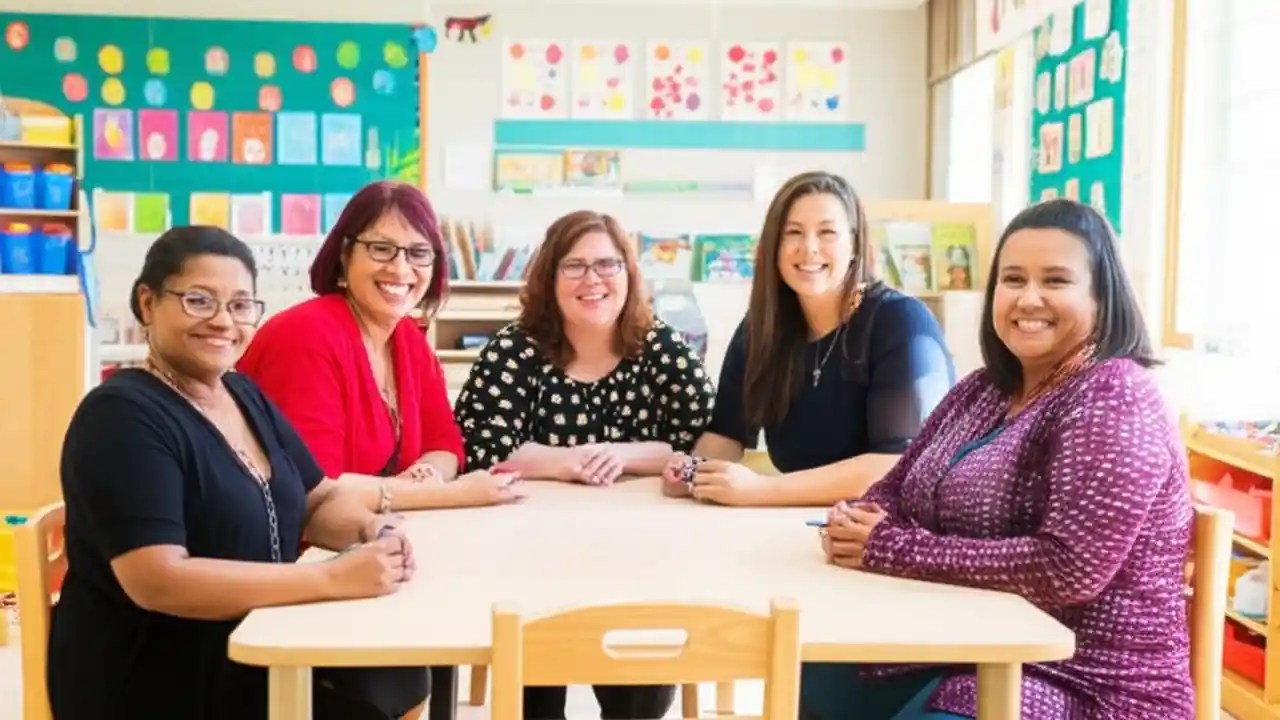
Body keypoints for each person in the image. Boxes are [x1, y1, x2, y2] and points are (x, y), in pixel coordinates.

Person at [811, 199, 1193, 719]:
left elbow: (1069, 568)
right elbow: (896, 488)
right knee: (808, 663)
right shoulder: (984, 389)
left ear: (1103, 297)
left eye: (1055, 281)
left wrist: (890, 548)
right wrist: (856, 521)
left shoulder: (1115, 395)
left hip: (1084, 680)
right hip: (963, 644)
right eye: (1013, 279)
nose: (1028, 298)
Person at [48, 227, 423, 720]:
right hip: (157, 676)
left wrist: (373, 530)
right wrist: (332, 578)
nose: (223, 321)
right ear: (147, 302)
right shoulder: (120, 416)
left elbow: (318, 501)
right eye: (199, 301)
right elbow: (157, 579)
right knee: (371, 695)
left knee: (400, 676)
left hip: (253, 643)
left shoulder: (242, 394)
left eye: (241, 305)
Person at [454, 209, 715, 719]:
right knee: (534, 687)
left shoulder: (662, 348)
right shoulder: (513, 350)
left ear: (629, 274)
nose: (592, 280)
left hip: (642, 554)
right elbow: (481, 448)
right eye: (573, 266)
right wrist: (568, 462)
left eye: (607, 265)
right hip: (528, 553)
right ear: (549, 277)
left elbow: (708, 442)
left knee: (639, 695)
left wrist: (623, 454)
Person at [661, 171, 954, 507]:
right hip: (796, 522)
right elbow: (727, 434)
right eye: (793, 233)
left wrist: (760, 491)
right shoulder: (763, 327)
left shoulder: (900, 321)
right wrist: (693, 470)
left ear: (855, 245)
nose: (809, 248)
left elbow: (896, 465)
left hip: (884, 527)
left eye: (827, 232)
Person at [238, 180, 521, 510]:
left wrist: (423, 476)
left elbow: (446, 445)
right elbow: (314, 488)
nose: (401, 269)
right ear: (346, 255)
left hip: (377, 533)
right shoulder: (305, 335)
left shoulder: (408, 339)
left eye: (418, 253)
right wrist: (440, 493)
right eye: (381, 249)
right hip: (300, 552)